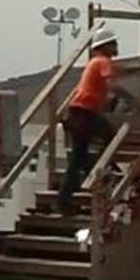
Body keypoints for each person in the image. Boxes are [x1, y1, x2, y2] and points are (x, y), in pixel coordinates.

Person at [58, 29, 129, 205]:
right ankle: (99, 169)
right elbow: (112, 85)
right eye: (113, 43)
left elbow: (117, 72)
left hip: (78, 112)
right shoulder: (103, 61)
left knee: (78, 157)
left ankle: (65, 201)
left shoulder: (95, 62)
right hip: (85, 113)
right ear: (105, 46)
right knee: (112, 138)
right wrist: (133, 99)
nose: (116, 46)